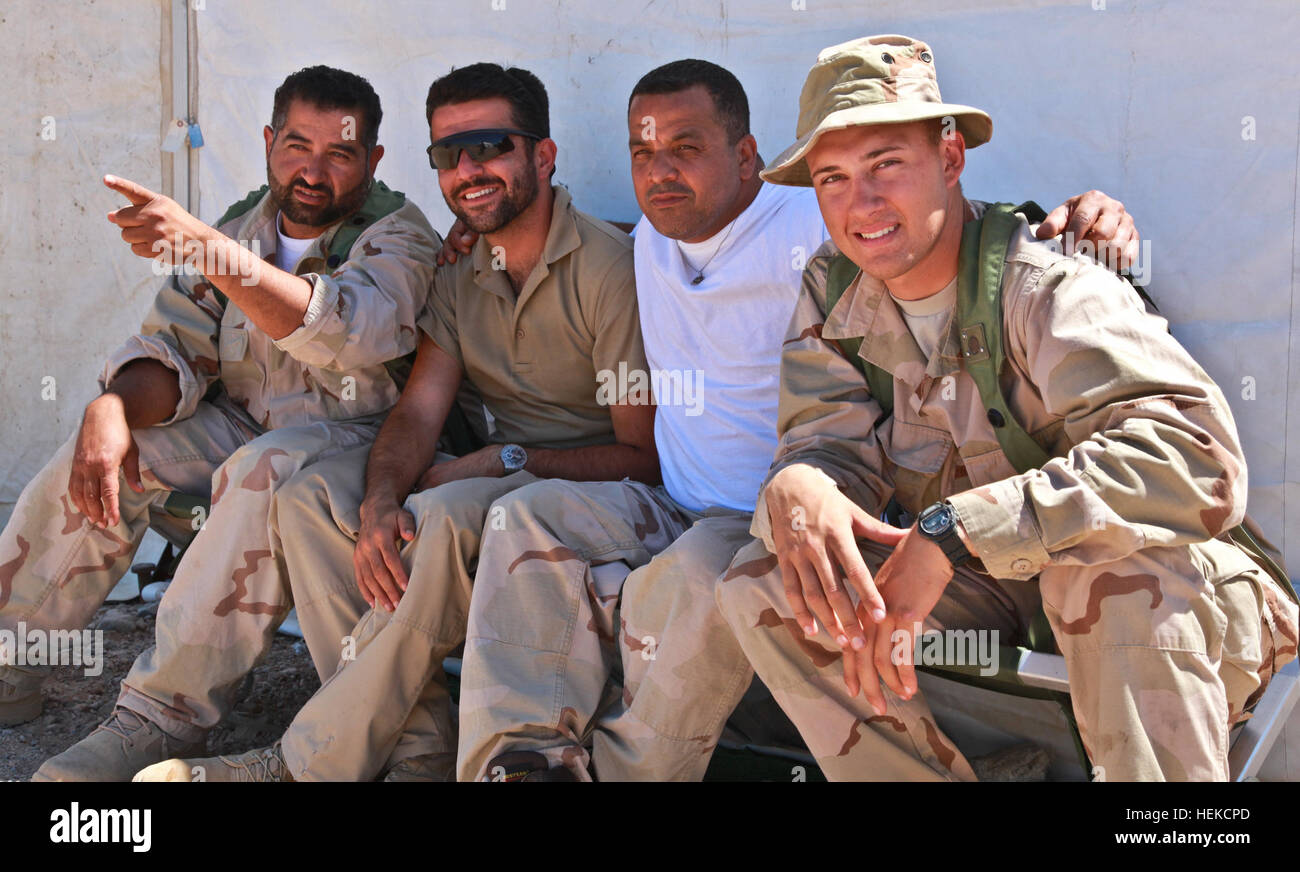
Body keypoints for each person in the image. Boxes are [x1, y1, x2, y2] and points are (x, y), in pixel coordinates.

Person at [453, 58, 1143, 781]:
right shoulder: (651, 237)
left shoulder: (821, 231)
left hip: (764, 518)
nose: (659, 172)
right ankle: (521, 763)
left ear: (747, 156)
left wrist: (1089, 216)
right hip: (670, 500)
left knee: (709, 574)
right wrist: (476, 232)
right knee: (522, 518)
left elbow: (935, 227)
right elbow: (578, 234)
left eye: (686, 148)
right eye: (642, 151)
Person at [714, 34, 1299, 781]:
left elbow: (1198, 459)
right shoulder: (836, 291)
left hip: (1185, 591)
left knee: (1105, 584)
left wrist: (954, 533)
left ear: (951, 159)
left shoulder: (1045, 288)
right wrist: (800, 483)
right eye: (832, 178)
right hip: (1001, 582)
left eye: (887, 165)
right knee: (771, 585)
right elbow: (826, 448)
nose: (860, 204)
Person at [134, 62, 657, 782]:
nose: (468, 169)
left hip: (599, 498)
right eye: (449, 154)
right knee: (312, 500)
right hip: (502, 483)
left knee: (444, 513)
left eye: (491, 146)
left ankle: (307, 764)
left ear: (543, 155)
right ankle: (415, 750)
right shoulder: (458, 270)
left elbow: (644, 457)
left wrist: (501, 462)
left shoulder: (609, 269)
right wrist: (380, 497)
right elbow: (417, 411)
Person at [21, 65, 441, 781]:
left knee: (262, 470)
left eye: (339, 154)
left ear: (371, 162)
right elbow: (175, 349)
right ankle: (11, 657)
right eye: (297, 146)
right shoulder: (243, 226)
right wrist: (113, 408)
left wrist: (208, 251)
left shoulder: (399, 237)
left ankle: (160, 719)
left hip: (368, 445)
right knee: (112, 450)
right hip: (250, 426)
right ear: (270, 141)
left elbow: (347, 331)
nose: (313, 171)